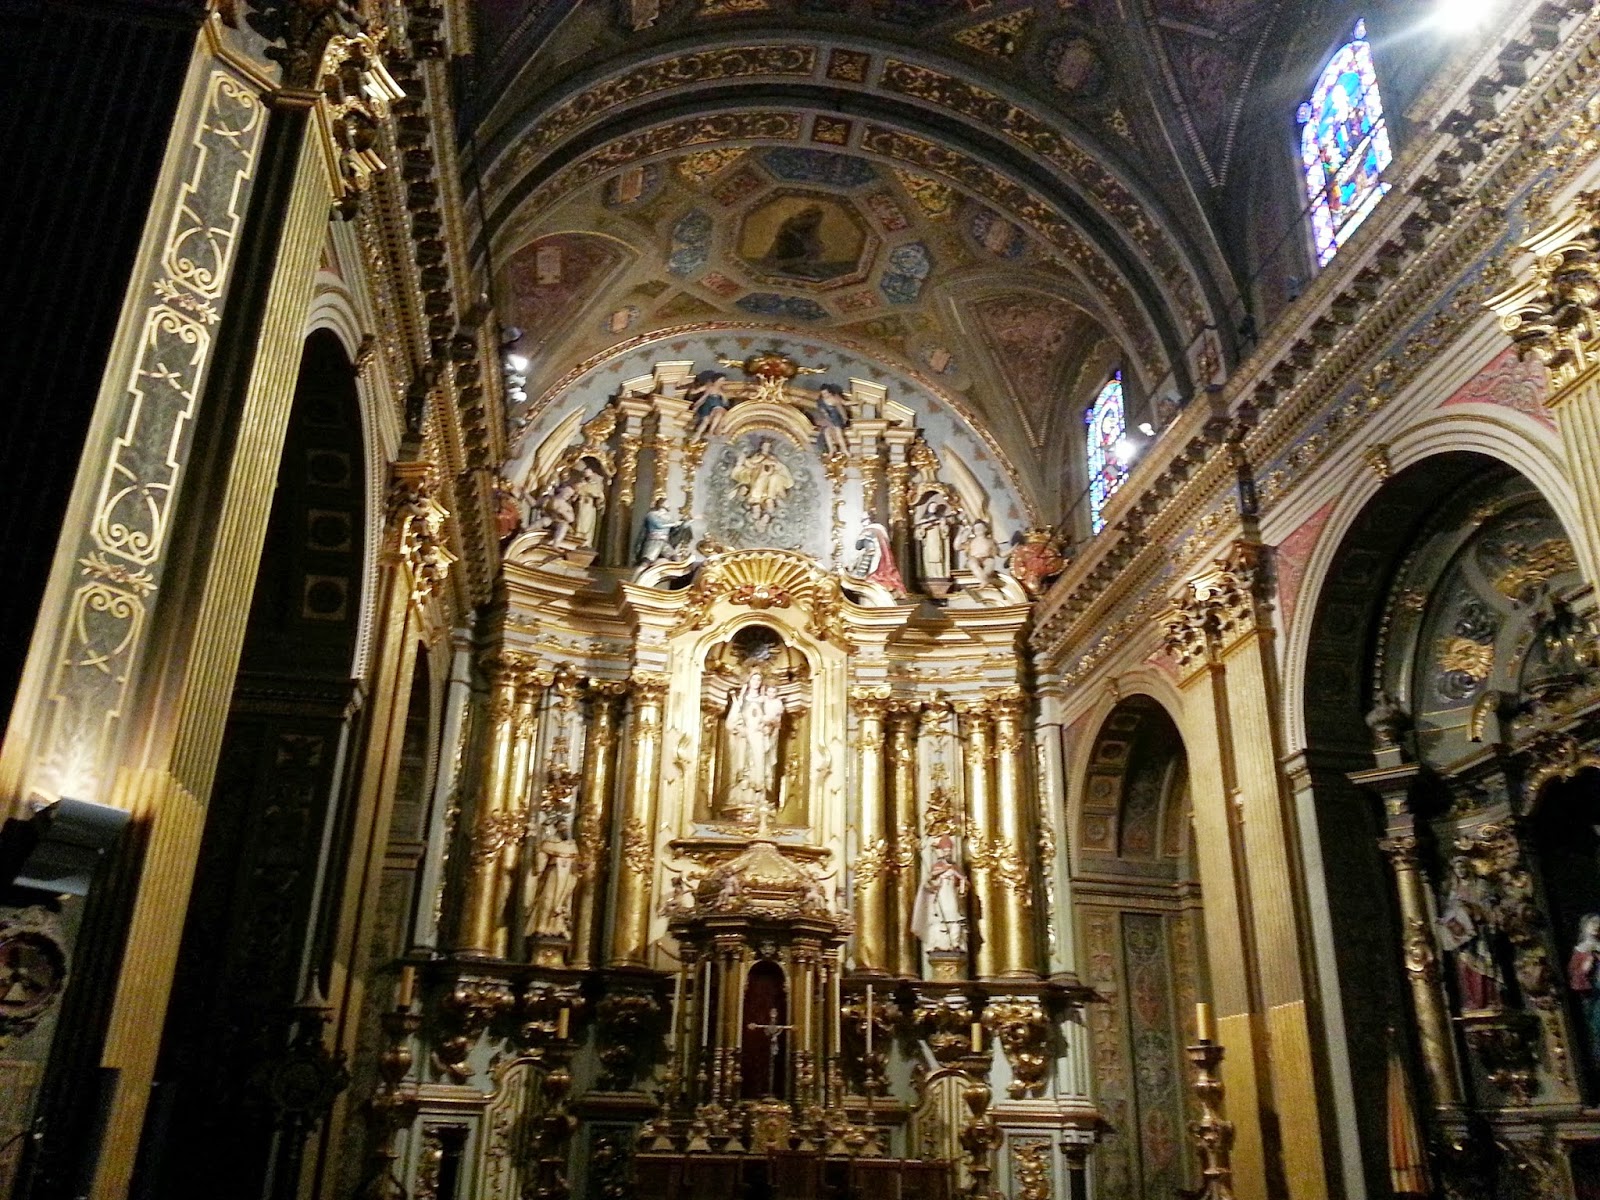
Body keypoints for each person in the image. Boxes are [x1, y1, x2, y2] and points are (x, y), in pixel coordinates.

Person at [1436, 856, 1504, 1012]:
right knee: (1465, 965)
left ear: (1469, 868)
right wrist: (1445, 921)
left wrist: (1473, 908)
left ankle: (1490, 998)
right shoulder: (1454, 891)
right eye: (1457, 869)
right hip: (1465, 937)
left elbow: (1489, 906)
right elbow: (1450, 912)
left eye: (1463, 867)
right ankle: (1474, 1000)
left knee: (1485, 963)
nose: (1461, 871)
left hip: (1481, 933)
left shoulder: (1480, 886)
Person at [724, 670, 786, 818]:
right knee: (743, 765)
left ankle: (758, 797)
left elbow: (773, 722)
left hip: (759, 738)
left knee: (759, 764)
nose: (756, 682)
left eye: (759, 680)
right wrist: (739, 728)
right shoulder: (740, 701)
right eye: (754, 679)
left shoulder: (765, 702)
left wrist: (767, 728)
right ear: (749, 681)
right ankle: (741, 796)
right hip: (744, 739)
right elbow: (731, 722)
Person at [910, 836, 969, 953]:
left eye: (949, 851)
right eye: (945, 851)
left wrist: (963, 887)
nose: (948, 854)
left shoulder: (955, 867)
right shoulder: (937, 867)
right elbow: (929, 882)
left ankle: (955, 943)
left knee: (954, 917)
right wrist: (937, 877)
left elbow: (963, 881)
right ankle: (940, 943)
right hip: (941, 897)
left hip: (952, 896)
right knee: (939, 920)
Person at [526, 815, 580, 939]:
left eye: (566, 827)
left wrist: (579, 866)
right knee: (548, 899)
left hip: (567, 877)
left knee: (563, 903)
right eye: (562, 827)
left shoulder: (572, 845)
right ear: (557, 829)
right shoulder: (550, 842)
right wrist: (540, 867)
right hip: (553, 875)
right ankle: (541, 925)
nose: (564, 829)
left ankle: (558, 927)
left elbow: (576, 863)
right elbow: (541, 859)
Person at [729, 439, 795, 529]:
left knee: (773, 478)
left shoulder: (771, 457)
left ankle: (770, 497)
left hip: (766, 482)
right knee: (760, 481)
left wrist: (770, 464)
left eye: (767, 447)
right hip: (756, 476)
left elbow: (777, 465)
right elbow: (750, 463)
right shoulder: (757, 456)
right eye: (764, 446)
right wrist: (747, 462)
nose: (765, 449)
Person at [1569, 913, 1600, 1068]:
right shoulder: (1581, 951)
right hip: (1596, 997)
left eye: (1598, 923)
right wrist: (1585, 968)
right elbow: (1576, 978)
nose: (1596, 927)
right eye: (1592, 924)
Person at [850, 521, 905, 595]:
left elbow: (870, 551)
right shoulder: (878, 533)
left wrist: (860, 575)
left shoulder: (869, 533)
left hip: (873, 575)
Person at [914, 496, 957, 581]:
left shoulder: (941, 518)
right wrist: (925, 527)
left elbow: (945, 533)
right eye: (932, 506)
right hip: (928, 543)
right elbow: (918, 534)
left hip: (938, 541)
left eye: (935, 507)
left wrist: (943, 525)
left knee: (939, 557)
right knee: (929, 558)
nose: (933, 508)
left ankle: (940, 575)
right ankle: (929, 575)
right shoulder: (924, 520)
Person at [634, 496, 679, 566]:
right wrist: (674, 524)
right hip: (654, 541)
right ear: (662, 504)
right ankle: (637, 576)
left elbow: (673, 531)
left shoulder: (669, 517)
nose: (669, 505)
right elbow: (658, 525)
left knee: (675, 558)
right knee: (646, 562)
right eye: (667, 503)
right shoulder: (651, 515)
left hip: (664, 542)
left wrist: (682, 525)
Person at [687, 370, 731, 440]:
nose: (722, 382)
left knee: (718, 415)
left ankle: (712, 430)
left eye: (723, 381)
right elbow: (695, 391)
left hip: (717, 406)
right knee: (706, 419)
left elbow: (725, 402)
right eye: (721, 380)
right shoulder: (708, 387)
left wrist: (724, 398)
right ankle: (701, 434)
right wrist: (692, 390)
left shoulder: (721, 391)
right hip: (709, 406)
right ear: (716, 380)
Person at [571, 465, 607, 547]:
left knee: (588, 525)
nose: (588, 477)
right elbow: (572, 497)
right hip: (580, 506)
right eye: (586, 475)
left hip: (590, 508)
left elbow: (601, 497)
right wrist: (577, 494)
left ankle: (586, 541)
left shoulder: (595, 486)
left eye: (589, 475)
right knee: (578, 523)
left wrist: (597, 499)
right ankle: (576, 539)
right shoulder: (579, 485)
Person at [959, 519, 1001, 587]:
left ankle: (985, 579)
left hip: (987, 559)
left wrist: (1013, 549)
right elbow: (957, 546)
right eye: (976, 528)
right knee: (973, 563)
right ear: (973, 531)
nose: (978, 530)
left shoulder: (991, 541)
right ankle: (985, 581)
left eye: (980, 528)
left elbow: (1001, 554)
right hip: (974, 559)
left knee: (990, 562)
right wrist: (962, 533)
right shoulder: (971, 541)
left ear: (986, 529)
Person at [813, 384, 850, 455]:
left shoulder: (835, 398)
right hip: (829, 420)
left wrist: (858, 402)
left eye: (825, 393)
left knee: (839, 434)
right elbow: (824, 413)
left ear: (830, 392)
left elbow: (845, 403)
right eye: (823, 393)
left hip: (837, 419)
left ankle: (844, 450)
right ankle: (831, 450)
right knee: (827, 433)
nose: (824, 395)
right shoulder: (821, 402)